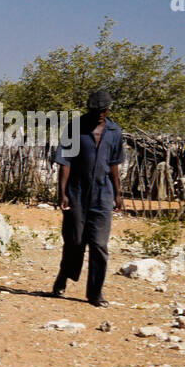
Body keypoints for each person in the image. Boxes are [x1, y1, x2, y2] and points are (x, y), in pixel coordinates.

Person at [51, 89, 125, 306]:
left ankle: (95, 293)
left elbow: (114, 165)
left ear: (108, 110)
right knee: (74, 241)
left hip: (103, 193)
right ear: (89, 109)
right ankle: (63, 277)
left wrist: (118, 194)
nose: (100, 114)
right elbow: (65, 162)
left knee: (99, 244)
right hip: (77, 192)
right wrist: (62, 192)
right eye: (95, 110)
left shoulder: (115, 131)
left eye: (103, 110)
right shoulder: (75, 128)